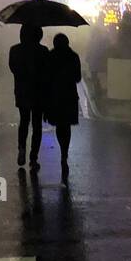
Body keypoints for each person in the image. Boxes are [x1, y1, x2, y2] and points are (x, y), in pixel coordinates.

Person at [8, 25, 49, 170]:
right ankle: (33, 157)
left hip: (22, 91)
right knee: (37, 125)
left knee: (24, 121)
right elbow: (47, 73)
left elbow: (13, 68)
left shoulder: (15, 50)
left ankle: (21, 149)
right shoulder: (43, 51)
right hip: (38, 93)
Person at [46, 32, 81, 182]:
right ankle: (64, 152)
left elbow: (45, 77)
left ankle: (63, 150)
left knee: (60, 125)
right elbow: (78, 78)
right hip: (69, 96)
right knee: (66, 126)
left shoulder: (50, 56)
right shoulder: (73, 56)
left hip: (54, 96)